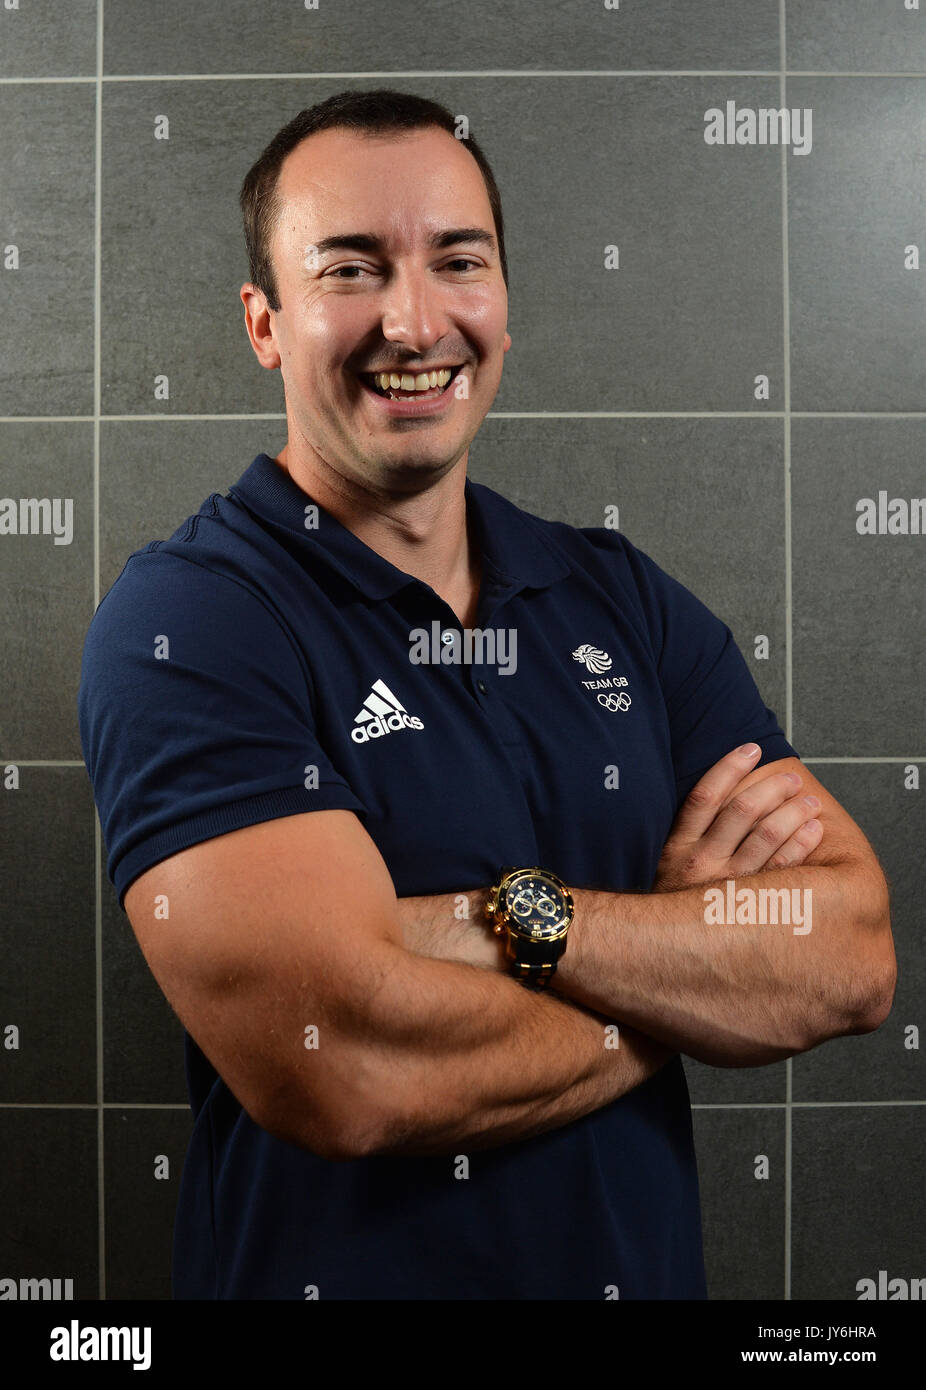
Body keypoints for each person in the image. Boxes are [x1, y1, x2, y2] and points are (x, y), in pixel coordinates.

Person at [77, 88, 895, 1300]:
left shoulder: (620, 598)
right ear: (264, 321)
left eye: (457, 260)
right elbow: (346, 1060)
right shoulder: (191, 620)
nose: (414, 322)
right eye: (350, 269)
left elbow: (845, 953)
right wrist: (682, 960)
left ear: (504, 300)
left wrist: (508, 918)